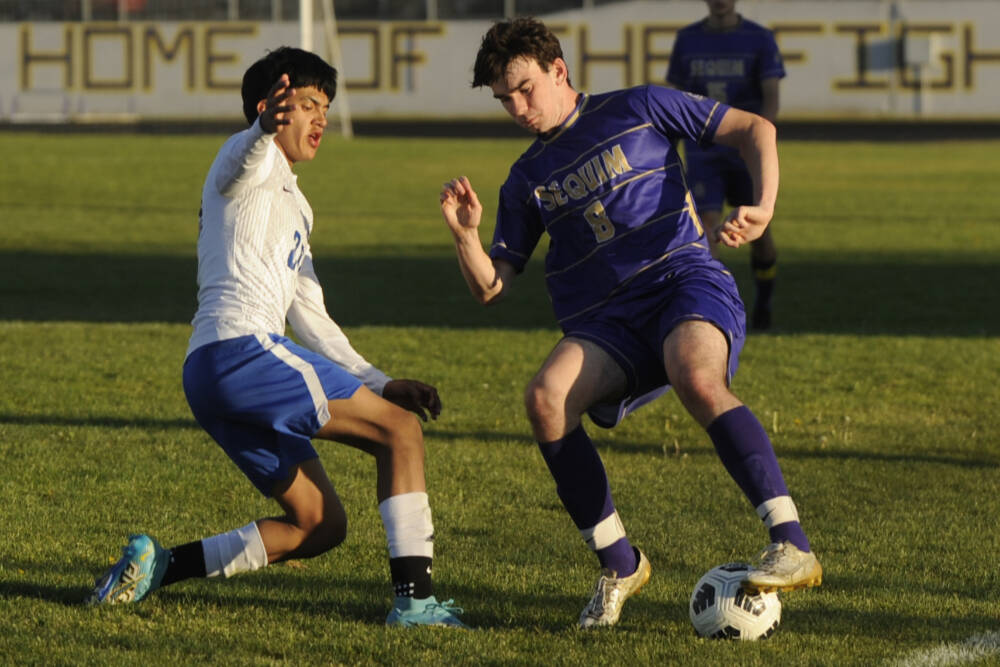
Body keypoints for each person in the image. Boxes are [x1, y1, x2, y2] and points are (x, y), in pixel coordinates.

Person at [440, 17, 821, 629]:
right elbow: (493, 287)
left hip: (682, 280)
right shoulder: (524, 179)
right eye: (504, 99)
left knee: (696, 376)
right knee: (545, 399)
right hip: (607, 323)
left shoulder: (639, 106)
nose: (518, 108)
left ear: (559, 70)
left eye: (525, 89)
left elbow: (757, 129)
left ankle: (791, 542)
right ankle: (621, 565)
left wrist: (764, 206)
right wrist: (465, 236)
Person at [87, 47, 466, 629]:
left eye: (325, 108)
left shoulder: (296, 203)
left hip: (212, 374)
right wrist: (261, 129)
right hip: (241, 351)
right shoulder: (247, 158)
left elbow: (311, 315)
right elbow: (239, 162)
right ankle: (415, 605)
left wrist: (379, 382)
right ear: (271, 106)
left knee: (319, 524)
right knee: (401, 434)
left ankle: (159, 565)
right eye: (308, 104)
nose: (320, 119)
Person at [666, 0, 785, 330]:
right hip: (703, 151)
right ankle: (716, 310)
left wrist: (760, 143)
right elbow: (675, 99)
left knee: (759, 233)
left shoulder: (760, 38)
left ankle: (763, 302)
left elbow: (771, 97)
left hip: (743, 151)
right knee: (706, 226)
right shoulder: (687, 39)